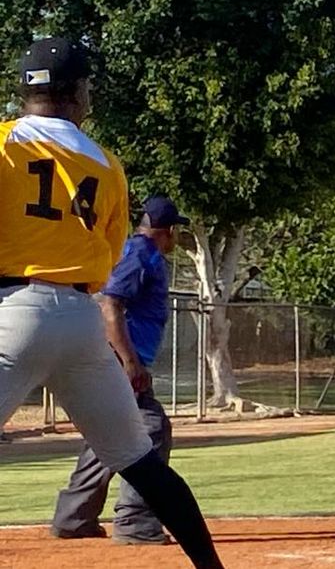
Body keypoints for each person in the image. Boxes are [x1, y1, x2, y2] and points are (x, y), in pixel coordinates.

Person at [0, 37, 223, 568]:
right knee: (142, 461)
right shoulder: (106, 164)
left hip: (11, 308)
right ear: (78, 93)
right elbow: (105, 257)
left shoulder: (5, 143)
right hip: (79, 321)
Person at [50, 195, 188, 544]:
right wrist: (129, 360)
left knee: (109, 435)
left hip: (111, 356)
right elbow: (110, 303)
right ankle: (136, 522)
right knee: (152, 429)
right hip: (120, 359)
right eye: (175, 231)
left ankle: (74, 516)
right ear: (168, 230)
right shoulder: (142, 254)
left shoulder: (135, 250)